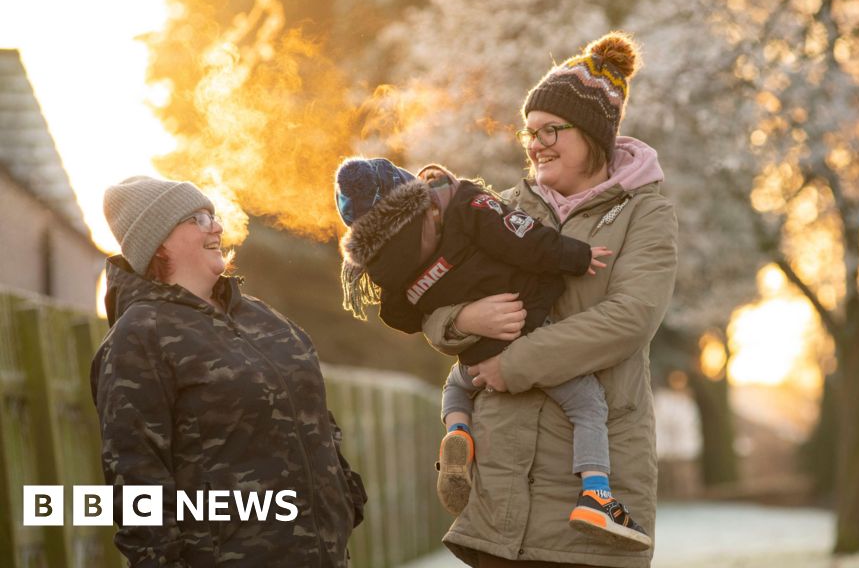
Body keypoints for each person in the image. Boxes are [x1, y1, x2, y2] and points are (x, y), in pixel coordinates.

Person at [421, 31, 678, 567]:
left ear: (592, 135)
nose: (535, 144)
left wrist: (513, 363)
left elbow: (628, 320)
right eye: (529, 132)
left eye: (550, 130)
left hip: (587, 494)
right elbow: (434, 292)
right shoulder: (503, 207)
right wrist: (465, 316)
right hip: (500, 490)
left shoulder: (645, 213)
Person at [334, 159, 649, 548]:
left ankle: (459, 431)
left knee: (455, 389)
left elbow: (400, 316)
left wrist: (458, 314)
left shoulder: (383, 265)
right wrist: (577, 256)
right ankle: (597, 494)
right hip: (527, 325)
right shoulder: (465, 206)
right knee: (587, 405)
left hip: (474, 357)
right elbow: (524, 240)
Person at [91, 176, 366, 567]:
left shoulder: (262, 316)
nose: (217, 226)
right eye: (198, 219)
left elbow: (314, 411)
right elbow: (136, 481)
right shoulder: (140, 337)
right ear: (159, 241)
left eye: (214, 215)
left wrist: (345, 492)